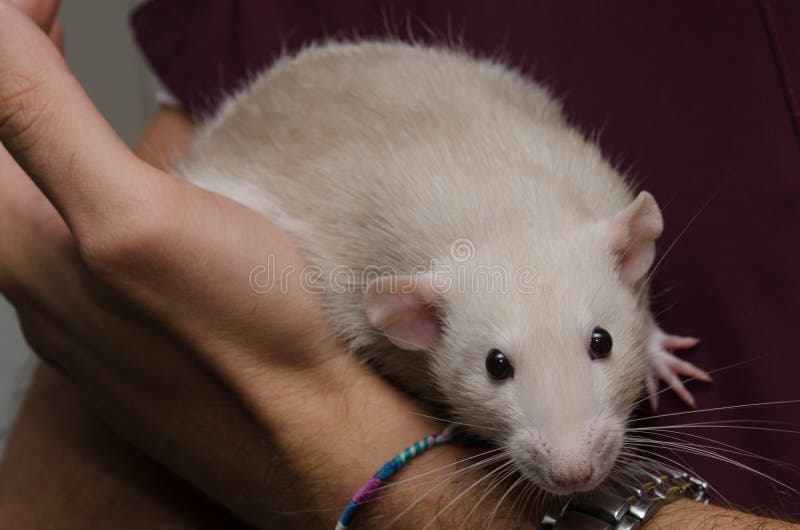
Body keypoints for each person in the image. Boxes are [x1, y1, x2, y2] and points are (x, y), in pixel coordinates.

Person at [0, 0, 797, 528]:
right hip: (303, 143)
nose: (571, 462)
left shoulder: (596, 208)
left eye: (602, 345)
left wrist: (338, 436)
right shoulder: (394, 291)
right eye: (496, 364)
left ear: (629, 253)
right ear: (420, 318)